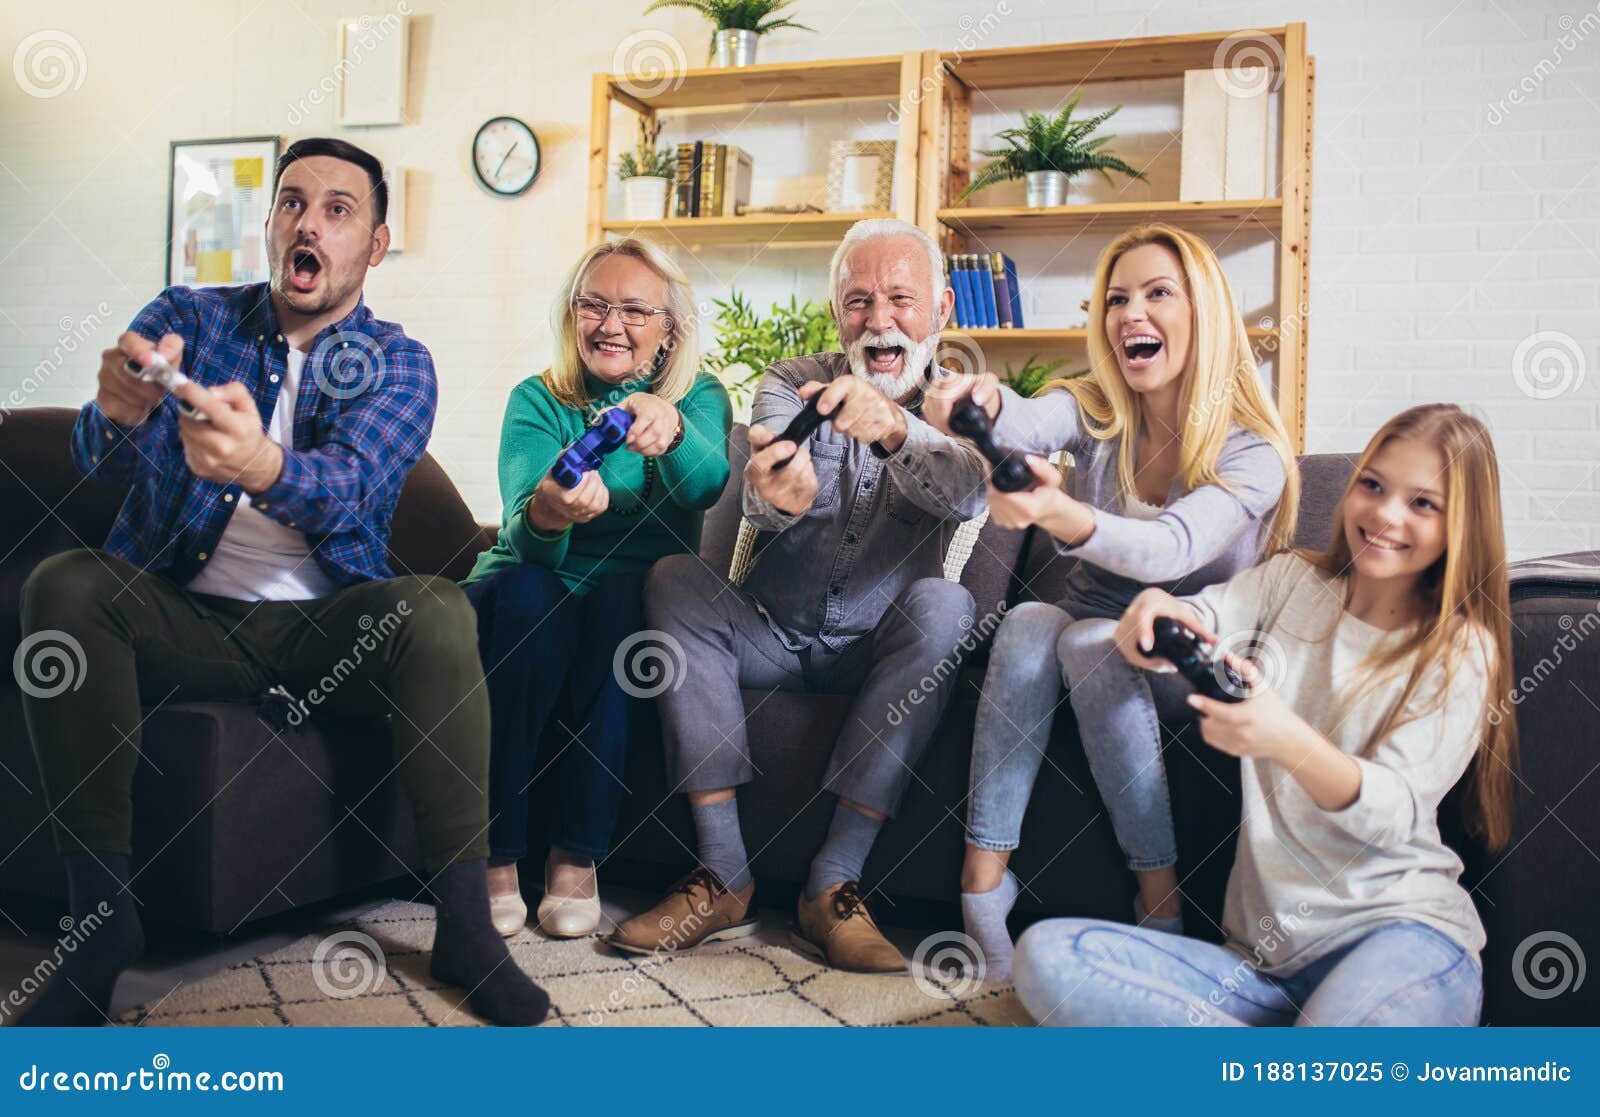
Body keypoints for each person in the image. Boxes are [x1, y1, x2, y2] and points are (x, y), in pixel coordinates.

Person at [15, 138, 547, 1027]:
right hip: (180, 613)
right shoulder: (192, 312)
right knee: (64, 584)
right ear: (270, 224)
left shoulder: (400, 363)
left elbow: (353, 490)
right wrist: (114, 413)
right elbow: (95, 462)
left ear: (375, 245)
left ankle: (464, 923)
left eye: (339, 209)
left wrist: (262, 463)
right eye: (293, 203)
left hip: (323, 630)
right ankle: (101, 923)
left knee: (437, 607)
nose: (310, 222)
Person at [1012, 404, 1515, 1027]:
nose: (1385, 514)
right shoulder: (1293, 581)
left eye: (1423, 504)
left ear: (1461, 526)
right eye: (1373, 485)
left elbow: (1392, 812)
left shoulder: (1459, 649)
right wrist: (1159, 610)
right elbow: (1208, 615)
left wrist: (1285, 739)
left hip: (1401, 939)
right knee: (1048, 958)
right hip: (1261, 966)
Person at [606, 217, 989, 973]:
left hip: (876, 649)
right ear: (835, 308)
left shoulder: (964, 403)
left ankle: (833, 885)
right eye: (858, 300)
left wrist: (893, 429)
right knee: (675, 580)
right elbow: (762, 485)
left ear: (943, 306)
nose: (879, 320)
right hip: (770, 631)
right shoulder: (789, 379)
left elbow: (969, 490)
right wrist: (774, 492)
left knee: (949, 607)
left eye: (901, 299)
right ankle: (723, 874)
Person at [922, 224, 1299, 980]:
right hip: (1086, 636)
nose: (1133, 313)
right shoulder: (1096, 407)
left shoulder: (1252, 450)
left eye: (1159, 293)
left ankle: (1158, 903)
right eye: (1117, 298)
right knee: (1035, 621)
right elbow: (1025, 419)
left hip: (1193, 655)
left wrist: (1061, 514)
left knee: (1090, 641)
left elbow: (1170, 551)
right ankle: (982, 891)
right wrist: (984, 398)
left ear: (1205, 313)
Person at [461, 239, 731, 939]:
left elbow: (707, 485)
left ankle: (575, 860)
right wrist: (550, 511)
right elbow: (522, 534)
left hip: (624, 604)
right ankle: (494, 860)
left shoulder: (699, 397)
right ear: (572, 315)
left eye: (636, 309)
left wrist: (668, 429)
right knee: (529, 595)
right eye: (594, 304)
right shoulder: (539, 399)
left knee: (624, 601)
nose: (611, 324)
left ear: (670, 328)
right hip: (530, 589)